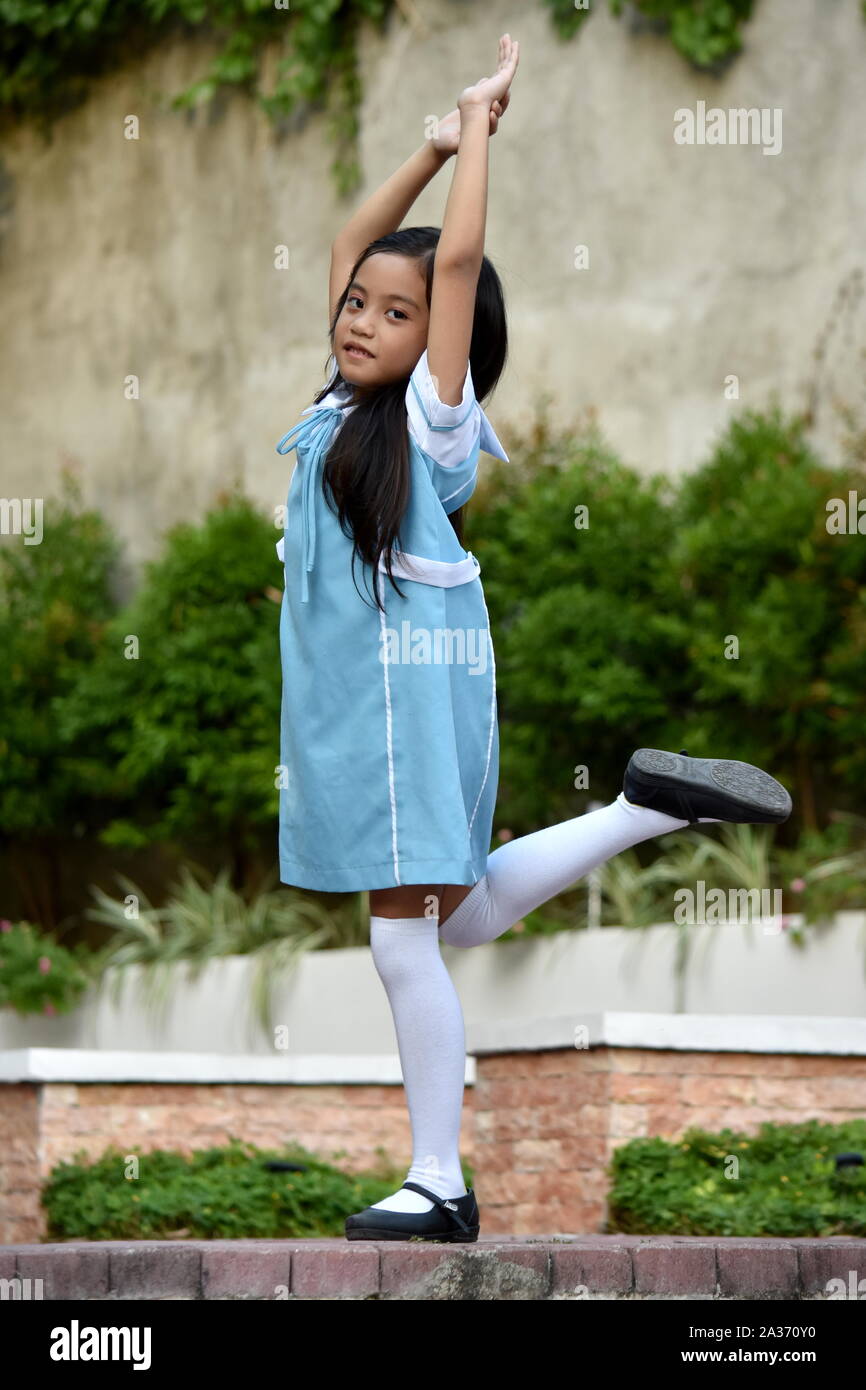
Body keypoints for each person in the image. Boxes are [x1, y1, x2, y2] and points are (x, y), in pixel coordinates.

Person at [273, 34, 792, 1243]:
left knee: (400, 935)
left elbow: (450, 261)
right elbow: (365, 245)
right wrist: (425, 147)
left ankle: (439, 1179)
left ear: (438, 342)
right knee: (449, 917)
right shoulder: (333, 403)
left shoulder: (429, 426)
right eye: (355, 304)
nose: (362, 316)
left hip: (404, 701)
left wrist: (478, 130)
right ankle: (643, 809)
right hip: (366, 708)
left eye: (393, 314)